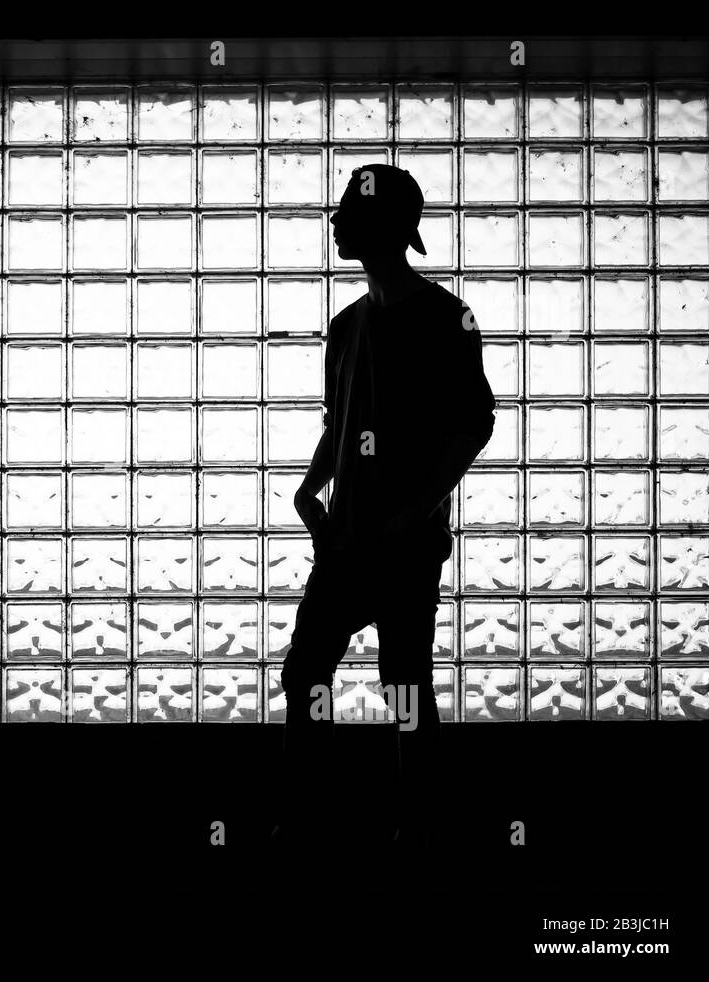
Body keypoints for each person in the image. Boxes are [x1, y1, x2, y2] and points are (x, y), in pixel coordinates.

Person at [273, 164, 496, 866]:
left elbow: (472, 424)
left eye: (346, 211)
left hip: (398, 545)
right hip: (351, 539)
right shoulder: (354, 325)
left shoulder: (439, 318)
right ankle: (354, 823)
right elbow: (343, 424)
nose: (335, 220)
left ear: (378, 228)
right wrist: (313, 488)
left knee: (392, 681)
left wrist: (413, 512)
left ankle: (396, 825)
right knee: (318, 671)